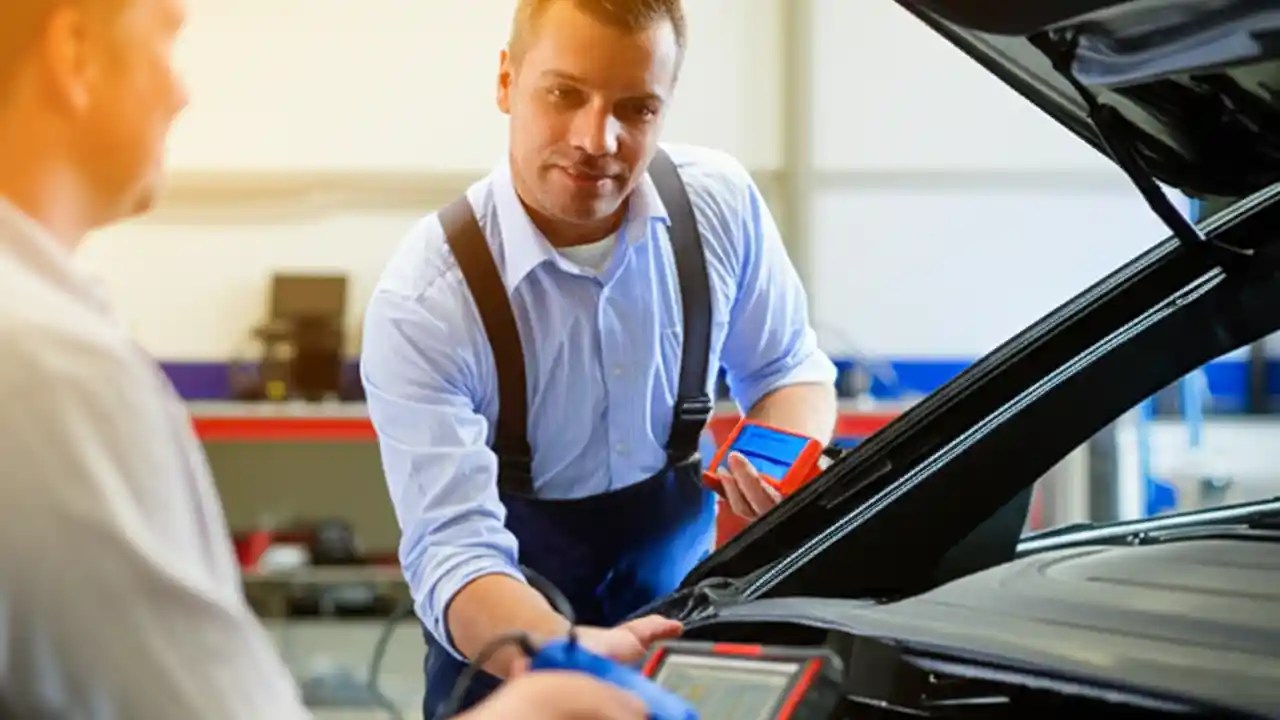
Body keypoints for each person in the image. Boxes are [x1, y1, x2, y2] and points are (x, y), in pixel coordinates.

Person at [0, 0, 648, 718]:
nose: (181, 92)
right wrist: (535, 710)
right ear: (76, 56)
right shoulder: (50, 374)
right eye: (165, 38)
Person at [359, 0, 839, 717]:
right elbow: (455, 555)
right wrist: (576, 662)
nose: (597, 140)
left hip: (683, 637)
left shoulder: (720, 209)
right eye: (563, 94)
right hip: (513, 665)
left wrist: (780, 458)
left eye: (637, 108)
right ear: (505, 82)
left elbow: (789, 368)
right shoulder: (427, 301)